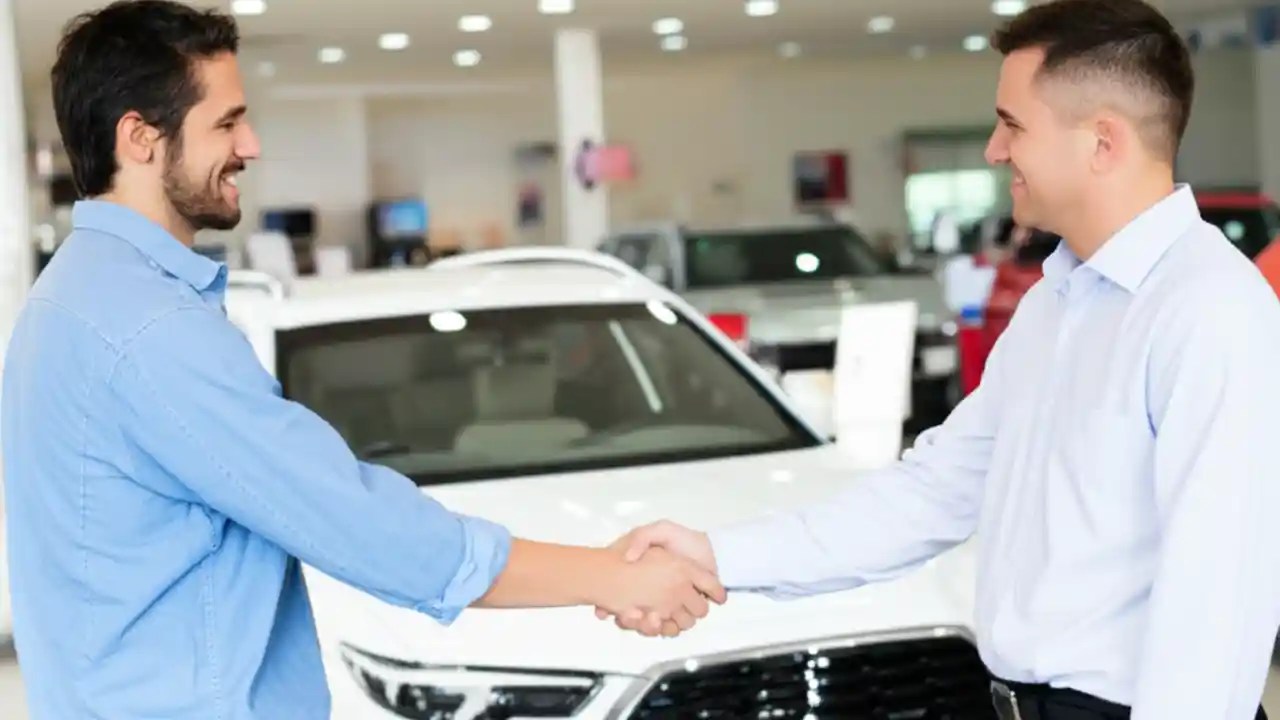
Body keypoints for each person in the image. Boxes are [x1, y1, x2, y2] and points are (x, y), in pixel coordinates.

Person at [0, 2, 724, 718]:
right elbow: (355, 520)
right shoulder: (147, 329)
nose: (249, 145)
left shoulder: (68, 300)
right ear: (139, 138)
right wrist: (609, 576)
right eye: (226, 122)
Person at [601, 1, 1280, 718]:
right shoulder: (1059, 303)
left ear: (1102, 142)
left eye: (1012, 124)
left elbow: (1221, 596)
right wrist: (718, 556)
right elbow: (931, 494)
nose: (994, 149)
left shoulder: (1210, 311)